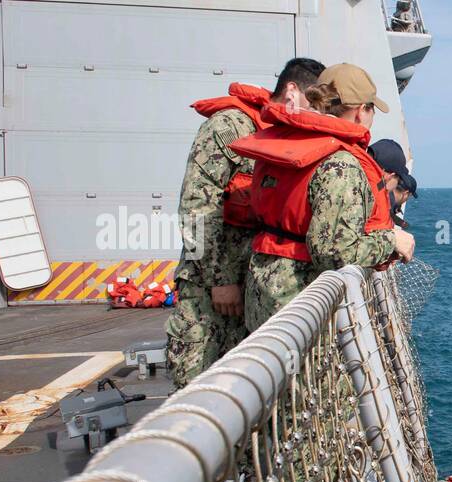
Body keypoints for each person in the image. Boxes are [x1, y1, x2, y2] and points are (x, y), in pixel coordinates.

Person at [165, 57, 324, 388]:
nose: (316, 114)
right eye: (314, 103)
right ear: (292, 91)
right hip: (211, 293)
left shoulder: (283, 139)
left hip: (255, 291)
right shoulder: (228, 127)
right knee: (198, 388)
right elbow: (196, 208)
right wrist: (220, 280)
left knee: (247, 390)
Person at [231, 63, 417, 331]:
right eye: (371, 109)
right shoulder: (341, 164)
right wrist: (391, 241)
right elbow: (332, 251)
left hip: (262, 291)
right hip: (302, 303)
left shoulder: (286, 143)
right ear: (360, 111)